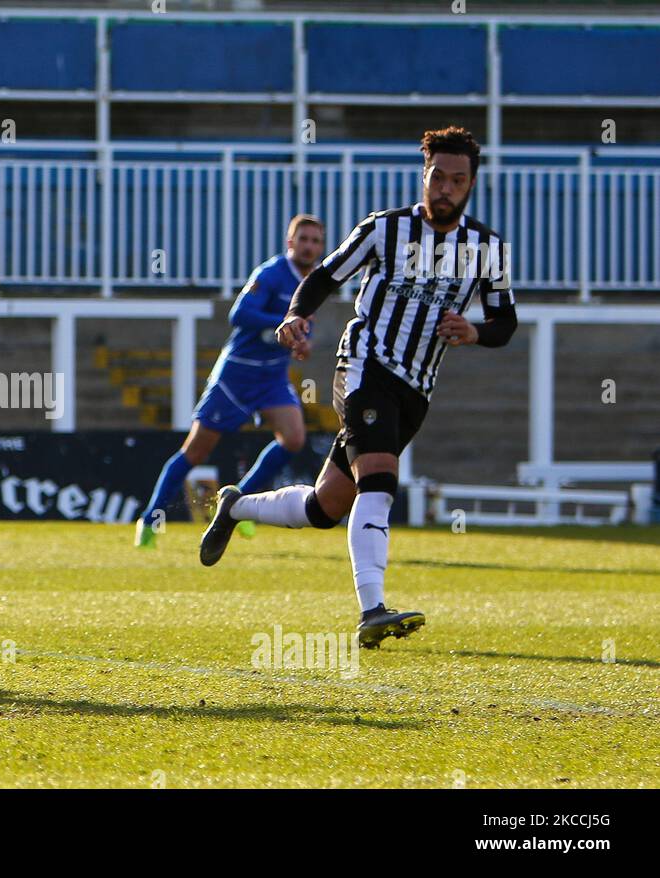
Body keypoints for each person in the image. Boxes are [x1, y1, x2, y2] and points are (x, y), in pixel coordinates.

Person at [199, 127, 518, 649]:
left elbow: (506, 322)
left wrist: (475, 331)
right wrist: (296, 316)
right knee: (380, 483)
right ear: (425, 175)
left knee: (325, 508)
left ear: (471, 184)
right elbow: (323, 276)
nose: (445, 189)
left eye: (458, 180)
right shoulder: (384, 229)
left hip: (417, 388)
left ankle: (234, 506)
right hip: (365, 368)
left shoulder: (486, 250)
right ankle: (372, 609)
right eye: (438, 177)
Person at [135, 215, 324, 548]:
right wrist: (283, 321)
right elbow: (239, 314)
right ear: (290, 242)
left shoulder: (314, 283)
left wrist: (300, 343)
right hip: (237, 374)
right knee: (196, 450)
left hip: (272, 377)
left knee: (294, 438)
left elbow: (298, 329)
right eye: (303, 239)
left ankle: (238, 506)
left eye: (315, 241)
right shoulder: (270, 274)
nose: (309, 246)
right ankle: (151, 520)